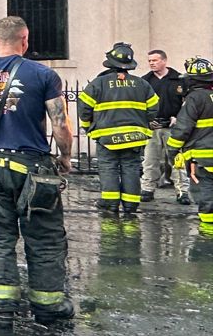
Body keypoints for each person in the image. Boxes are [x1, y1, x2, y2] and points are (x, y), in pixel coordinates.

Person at [0, 16, 75, 329]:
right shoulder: (43, 74)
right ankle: (48, 306)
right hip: (34, 170)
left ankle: (2, 310)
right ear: (26, 39)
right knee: (45, 238)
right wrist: (65, 157)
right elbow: (60, 124)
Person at [79, 43, 157, 214]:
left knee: (109, 168)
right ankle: (130, 205)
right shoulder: (142, 84)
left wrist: (89, 128)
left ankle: (110, 203)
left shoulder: (97, 84)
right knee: (131, 168)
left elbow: (84, 110)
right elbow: (153, 109)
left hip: (107, 138)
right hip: (134, 137)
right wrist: (141, 122)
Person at [166, 57, 213, 231]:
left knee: (205, 193)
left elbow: (182, 128)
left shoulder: (195, 98)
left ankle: (207, 235)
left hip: (202, 158)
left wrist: (172, 149)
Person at [142, 49, 189, 204]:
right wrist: (147, 120)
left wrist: (179, 118)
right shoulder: (145, 81)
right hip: (152, 127)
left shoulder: (179, 80)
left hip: (173, 127)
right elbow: (140, 105)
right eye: (149, 61)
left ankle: (182, 192)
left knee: (177, 160)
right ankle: (148, 189)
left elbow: (188, 104)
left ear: (164, 61)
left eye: (154, 60)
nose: (151, 63)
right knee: (150, 160)